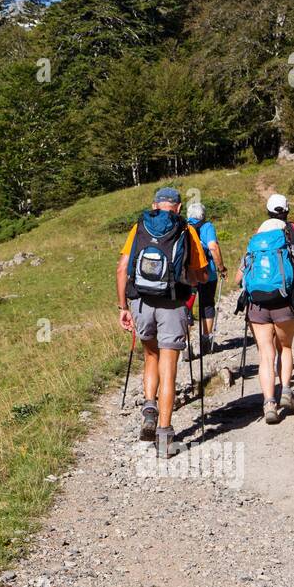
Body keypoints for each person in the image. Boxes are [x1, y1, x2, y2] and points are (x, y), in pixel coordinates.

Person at [117, 187, 210, 457]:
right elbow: (200, 274)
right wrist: (198, 279)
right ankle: (165, 436)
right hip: (174, 303)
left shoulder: (140, 226)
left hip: (141, 302)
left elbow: (122, 268)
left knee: (150, 357)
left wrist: (123, 307)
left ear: (155, 204)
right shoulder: (186, 230)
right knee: (169, 368)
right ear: (179, 208)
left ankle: (149, 408)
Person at [240, 197, 294, 423]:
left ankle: (269, 404)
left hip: (257, 307)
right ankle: (285, 390)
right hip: (284, 305)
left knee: (266, 355)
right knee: (285, 347)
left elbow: (239, 278)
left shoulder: (253, 247)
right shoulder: (290, 248)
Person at [186, 203, 226, 354]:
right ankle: (206, 341)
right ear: (203, 215)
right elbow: (213, 247)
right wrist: (221, 267)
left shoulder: (183, 227)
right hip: (207, 274)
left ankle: (185, 346)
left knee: (186, 307)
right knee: (207, 305)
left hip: (187, 276)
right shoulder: (207, 227)